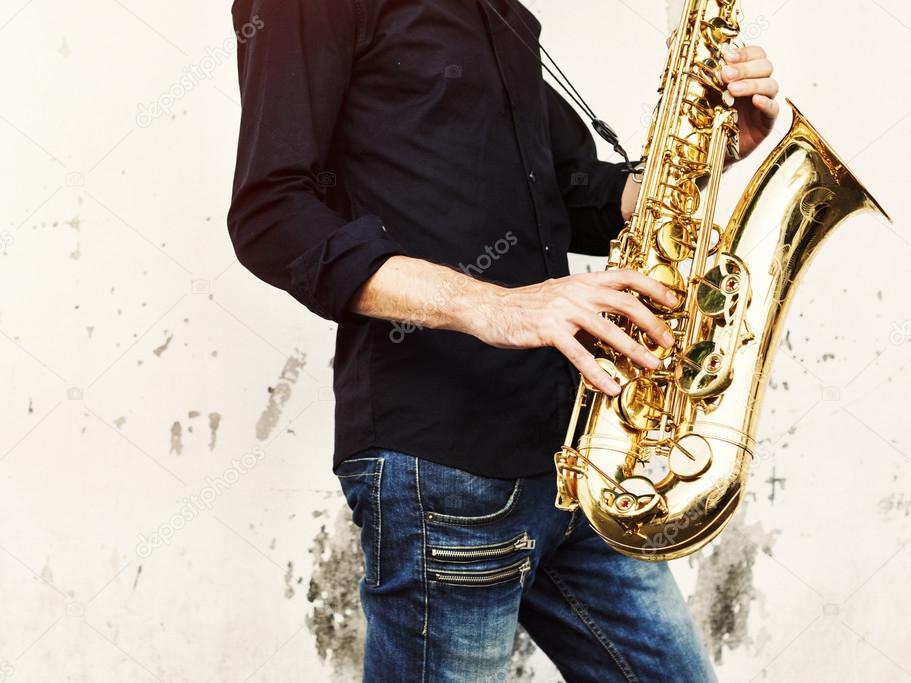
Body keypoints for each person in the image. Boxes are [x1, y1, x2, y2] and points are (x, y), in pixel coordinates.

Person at [227, 1, 779, 680]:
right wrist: (488, 306)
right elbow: (270, 214)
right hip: (443, 467)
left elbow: (568, 192)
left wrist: (705, 152)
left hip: (571, 458)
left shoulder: (497, 11)